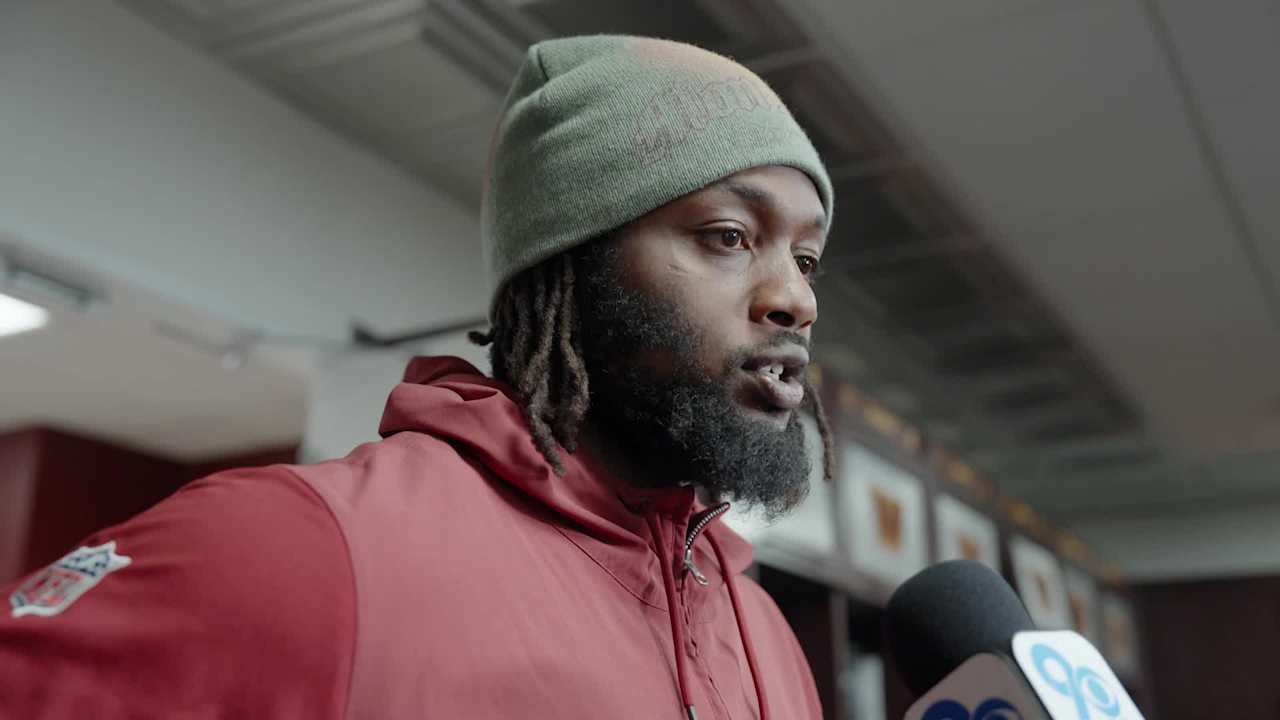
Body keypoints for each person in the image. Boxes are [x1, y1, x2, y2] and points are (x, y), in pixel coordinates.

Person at [0, 35, 836, 719]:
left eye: (805, 259)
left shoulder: (761, 630)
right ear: (568, 263)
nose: (796, 299)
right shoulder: (296, 551)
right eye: (729, 235)